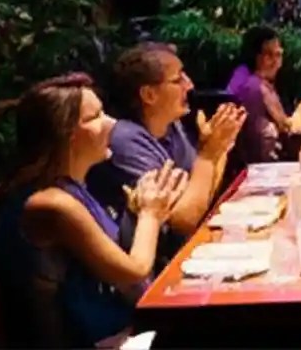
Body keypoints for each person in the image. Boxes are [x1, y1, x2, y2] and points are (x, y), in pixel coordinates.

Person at [0, 74, 187, 348]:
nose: (111, 123)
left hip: (117, 330)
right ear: (66, 135)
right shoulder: (51, 204)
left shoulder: (75, 187)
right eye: (95, 117)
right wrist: (150, 214)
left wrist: (139, 211)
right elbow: (133, 271)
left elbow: (119, 259)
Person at [86, 43, 245, 260]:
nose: (189, 85)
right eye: (178, 79)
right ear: (149, 94)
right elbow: (184, 220)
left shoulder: (172, 127)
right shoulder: (126, 140)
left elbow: (201, 199)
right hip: (155, 271)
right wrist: (208, 155)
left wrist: (220, 148)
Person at [227, 26, 287, 165]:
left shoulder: (256, 79)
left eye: (278, 55)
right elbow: (257, 144)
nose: (275, 62)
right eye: (268, 55)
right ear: (254, 55)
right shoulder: (252, 86)